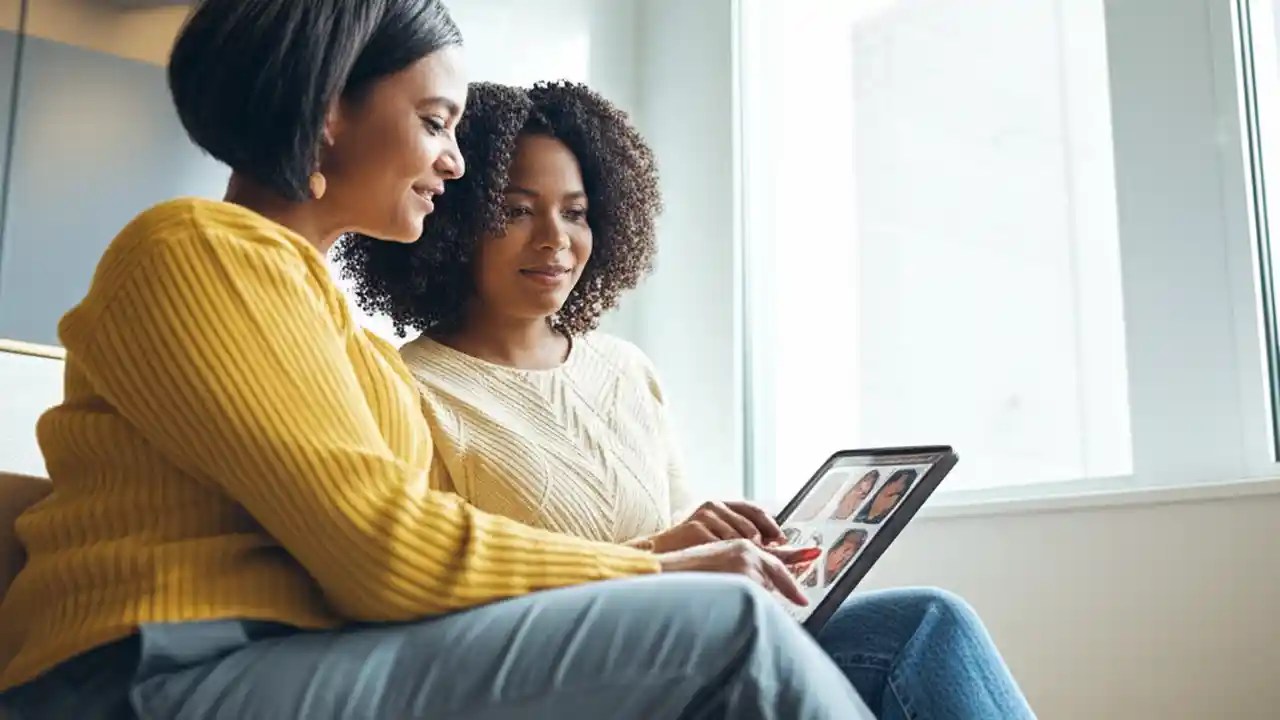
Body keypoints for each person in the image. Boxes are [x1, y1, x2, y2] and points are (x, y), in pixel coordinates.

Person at [0, 4, 875, 719]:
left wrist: (655, 554)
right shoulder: (198, 249)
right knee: (727, 630)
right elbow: (386, 553)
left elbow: (407, 558)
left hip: (290, 655)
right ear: (330, 109)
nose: (455, 163)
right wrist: (659, 572)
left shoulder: (344, 342)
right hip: (147, 676)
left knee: (875, 627)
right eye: (433, 122)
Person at [340, 81, 1037, 718]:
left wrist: (729, 545)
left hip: (694, 649)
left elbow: (680, 551)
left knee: (926, 622)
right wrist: (661, 555)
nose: (555, 240)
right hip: (573, 684)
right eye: (517, 212)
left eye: (577, 213)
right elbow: (441, 608)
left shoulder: (625, 370)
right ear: (457, 224)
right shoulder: (412, 390)